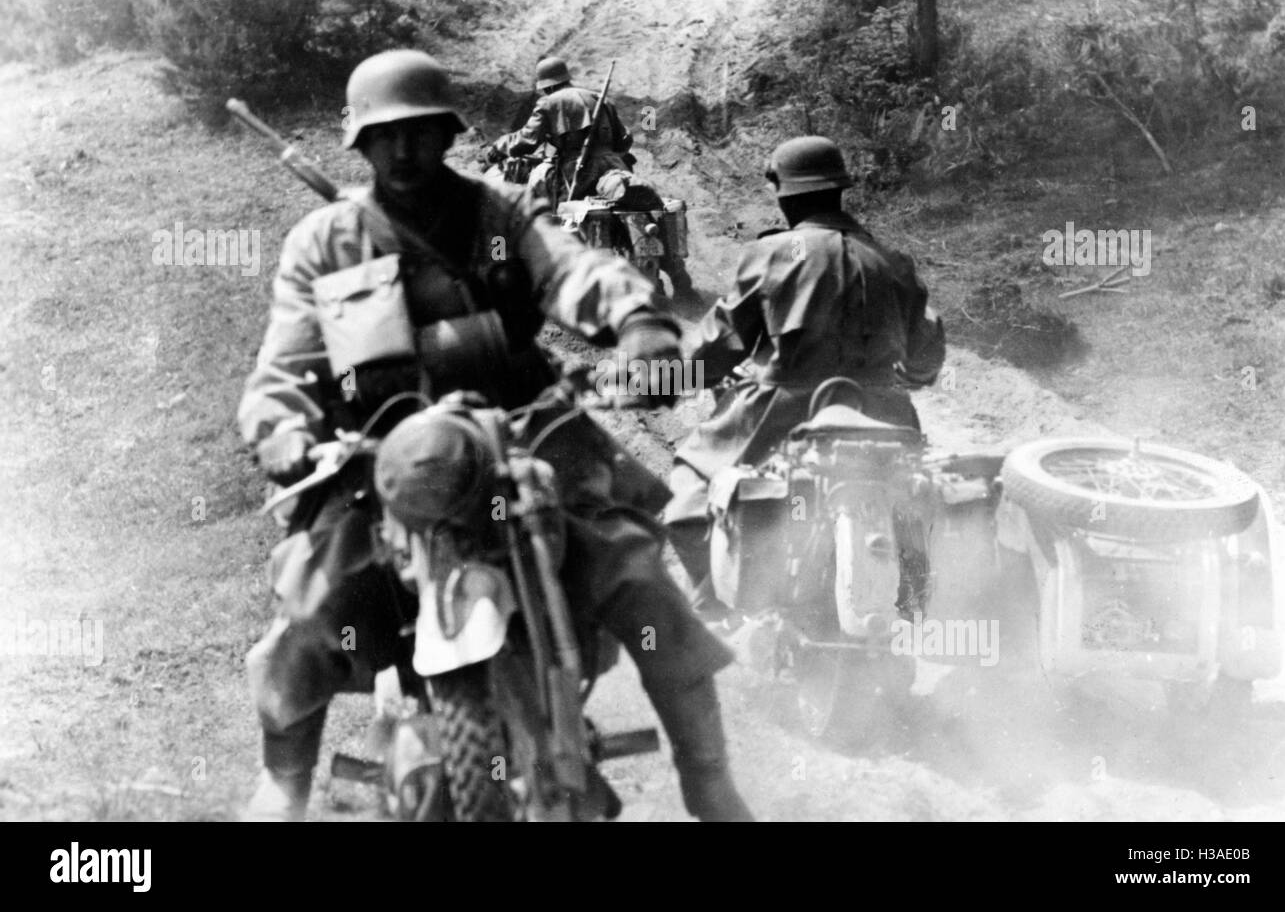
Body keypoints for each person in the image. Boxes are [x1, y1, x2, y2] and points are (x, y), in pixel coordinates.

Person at [238, 49, 751, 822]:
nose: (404, 151)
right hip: (382, 465)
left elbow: (574, 268)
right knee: (311, 608)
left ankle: (707, 780)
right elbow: (283, 365)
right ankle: (284, 783)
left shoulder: (502, 211)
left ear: (447, 131)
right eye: (385, 136)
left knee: (638, 576)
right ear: (359, 144)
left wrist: (637, 321)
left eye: (419, 132)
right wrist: (282, 430)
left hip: (527, 440)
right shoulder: (325, 242)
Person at [661, 136, 946, 618]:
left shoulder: (772, 254)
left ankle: (719, 606)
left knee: (686, 502)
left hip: (778, 414)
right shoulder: (893, 262)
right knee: (918, 505)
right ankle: (913, 606)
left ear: (786, 197)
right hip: (885, 417)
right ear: (839, 191)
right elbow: (926, 356)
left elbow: (720, 345)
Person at [487, 56, 697, 298]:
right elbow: (623, 140)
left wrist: (500, 147)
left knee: (538, 192)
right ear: (566, 78)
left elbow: (526, 140)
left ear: (546, 85)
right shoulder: (601, 99)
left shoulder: (548, 103)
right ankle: (680, 282)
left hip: (576, 172)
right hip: (615, 167)